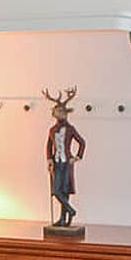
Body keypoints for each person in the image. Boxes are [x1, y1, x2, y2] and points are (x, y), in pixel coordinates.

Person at [43, 88, 86, 228]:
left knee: (65, 190)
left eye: (61, 111)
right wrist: (49, 159)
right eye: (57, 111)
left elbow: (82, 142)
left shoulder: (70, 129)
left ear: (66, 114)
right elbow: (48, 146)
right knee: (56, 190)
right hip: (56, 163)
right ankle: (71, 210)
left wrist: (77, 157)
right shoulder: (52, 130)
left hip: (66, 163)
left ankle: (63, 219)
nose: (58, 114)